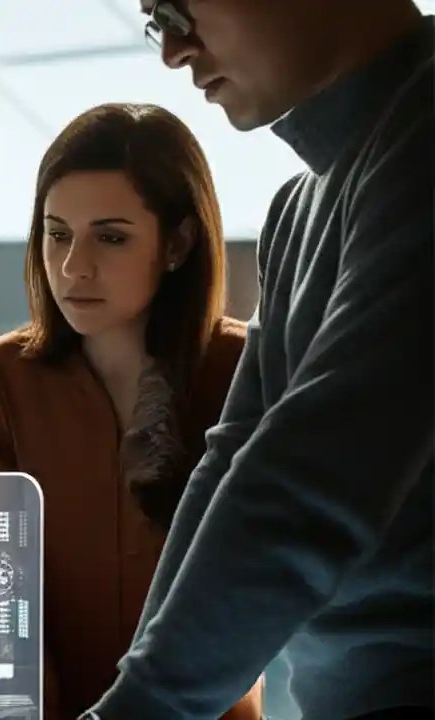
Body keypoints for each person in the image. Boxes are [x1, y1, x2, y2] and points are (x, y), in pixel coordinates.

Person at [85, 2, 433, 718]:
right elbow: (233, 460)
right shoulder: (297, 210)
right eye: (156, 21)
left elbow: (315, 475)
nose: (173, 50)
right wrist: (129, 694)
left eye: (178, 8)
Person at [0, 103, 263, 720]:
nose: (72, 267)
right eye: (57, 233)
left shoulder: (243, 372)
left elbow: (256, 597)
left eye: (110, 237)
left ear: (177, 243)